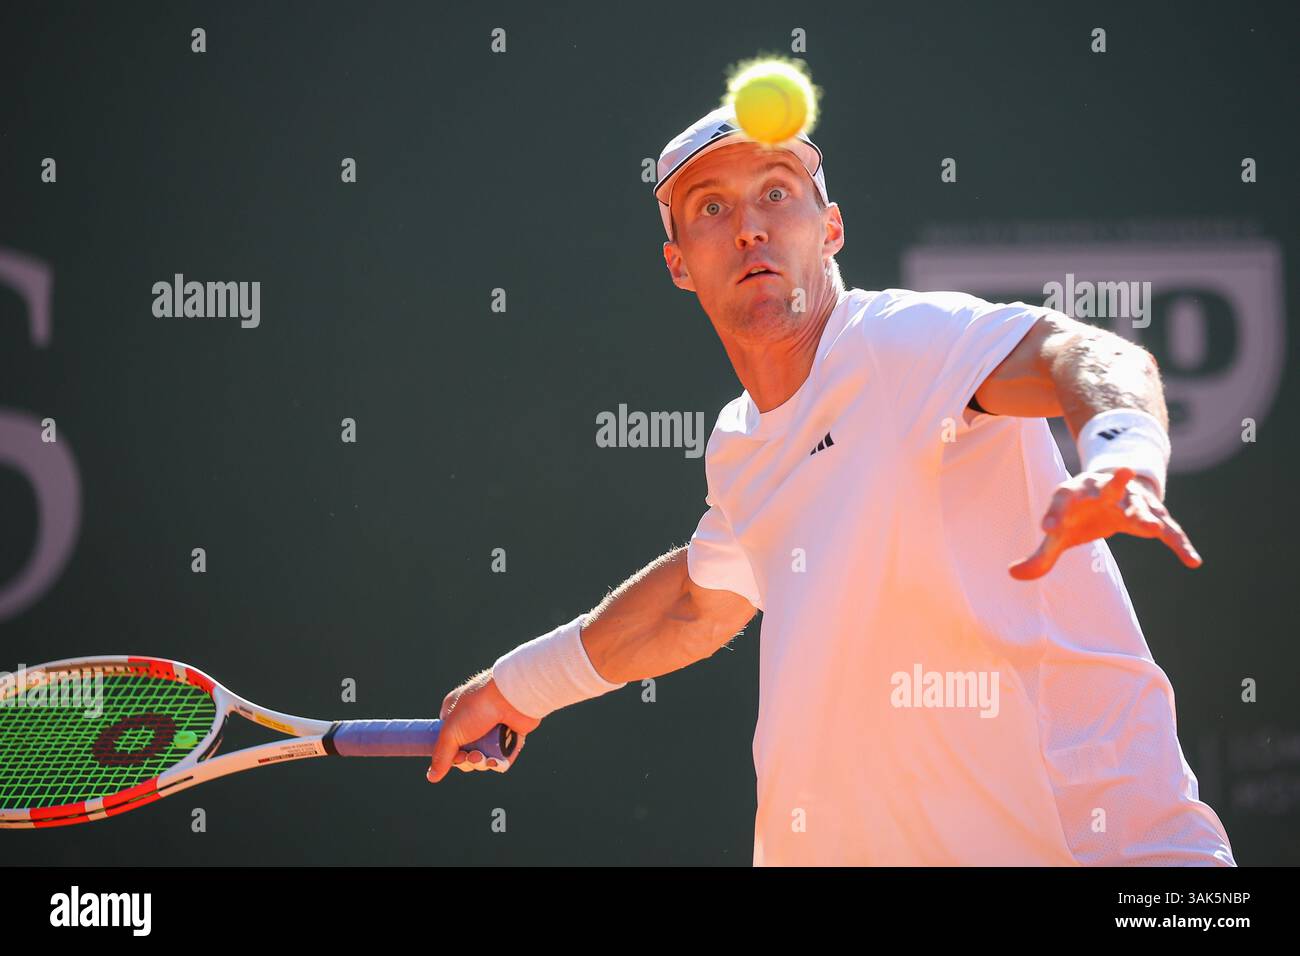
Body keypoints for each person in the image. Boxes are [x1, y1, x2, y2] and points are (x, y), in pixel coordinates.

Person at [425, 104, 1235, 866]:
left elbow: (1089, 355)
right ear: (678, 264)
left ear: (830, 228)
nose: (748, 227)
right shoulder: (743, 446)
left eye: (776, 193)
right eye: (710, 208)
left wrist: (1122, 454)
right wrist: (515, 688)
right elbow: (695, 603)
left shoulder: (904, 344)